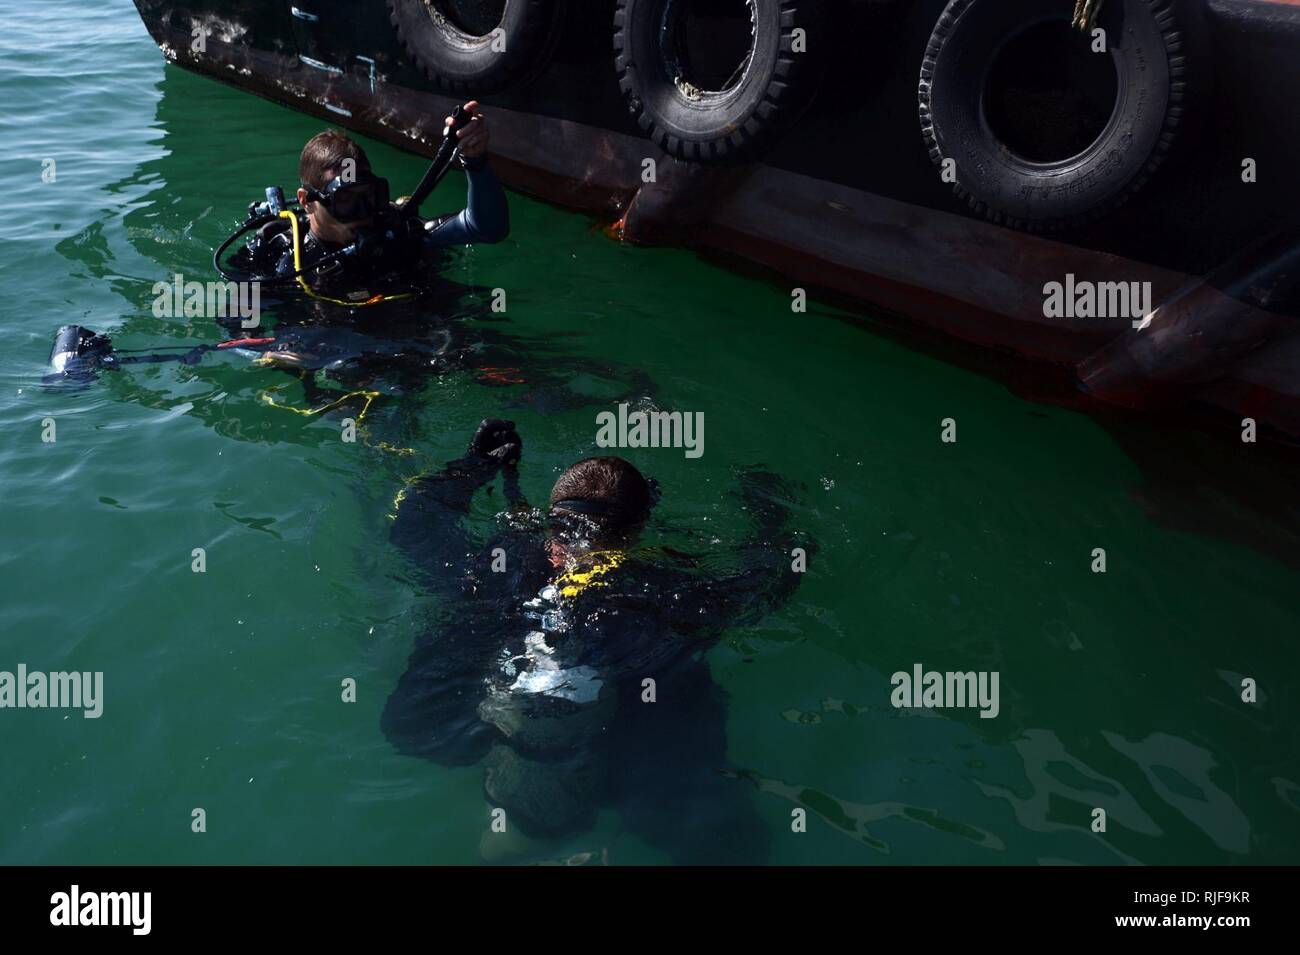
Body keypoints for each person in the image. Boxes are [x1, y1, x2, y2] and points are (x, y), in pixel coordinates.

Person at [382, 419, 814, 863]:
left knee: (429, 705)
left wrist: (474, 466)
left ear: (553, 517)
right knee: (731, 841)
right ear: (639, 527)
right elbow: (769, 581)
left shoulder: (497, 559)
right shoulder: (667, 591)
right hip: (623, 741)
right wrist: (772, 514)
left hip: (459, 719)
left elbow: (415, 526)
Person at [242, 100, 508, 298]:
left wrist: (475, 160)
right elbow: (236, 321)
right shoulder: (284, 255)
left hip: (428, 339)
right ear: (307, 201)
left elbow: (487, 228)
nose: (363, 214)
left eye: (370, 197)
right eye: (346, 201)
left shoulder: (397, 230)